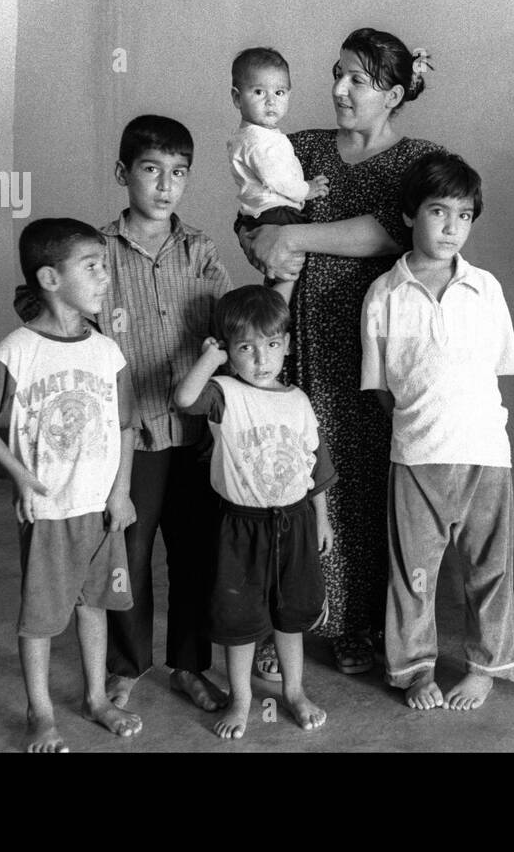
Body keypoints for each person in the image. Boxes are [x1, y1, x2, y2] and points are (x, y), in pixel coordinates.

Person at [237, 28, 442, 679]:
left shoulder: (419, 162)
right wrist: (269, 240)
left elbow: (391, 231)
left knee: (362, 484)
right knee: (289, 483)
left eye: (357, 79)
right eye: (336, 74)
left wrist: (294, 235)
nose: (338, 89)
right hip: (295, 343)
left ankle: (358, 626)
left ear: (394, 91)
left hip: (376, 353)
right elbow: (254, 224)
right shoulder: (299, 147)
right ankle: (286, 623)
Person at [15, 114, 233, 714]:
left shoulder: (202, 250)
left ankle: (190, 666)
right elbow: (58, 323)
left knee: (193, 555)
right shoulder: (97, 252)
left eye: (179, 173)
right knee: (125, 556)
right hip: (124, 438)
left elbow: (231, 329)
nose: (166, 186)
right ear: (123, 174)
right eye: (151, 170)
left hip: (194, 431)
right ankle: (126, 668)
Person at [0, 218, 142, 753]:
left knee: (94, 605)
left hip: (101, 508)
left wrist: (122, 491)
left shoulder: (107, 351)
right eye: (92, 267)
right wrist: (19, 475)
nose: (105, 277)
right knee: (40, 619)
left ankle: (95, 698)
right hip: (50, 511)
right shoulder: (19, 349)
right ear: (50, 277)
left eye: (105, 266)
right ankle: (38, 713)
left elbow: (127, 425)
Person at [361, 151, 514, 711]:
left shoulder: (487, 289)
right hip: (416, 456)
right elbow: (382, 387)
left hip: (485, 453)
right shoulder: (383, 295)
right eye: (438, 211)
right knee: (414, 575)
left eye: (464, 215)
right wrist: (419, 429)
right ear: (410, 214)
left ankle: (485, 667)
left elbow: (496, 373)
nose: (452, 226)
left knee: (490, 570)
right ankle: (413, 670)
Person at [173, 285, 334, 738]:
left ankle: (295, 691)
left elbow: (315, 464)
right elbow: (184, 400)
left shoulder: (298, 400)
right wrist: (210, 359)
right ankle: (241, 698)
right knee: (238, 620)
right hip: (241, 527)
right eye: (246, 348)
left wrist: (322, 518)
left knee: (290, 614)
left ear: (286, 345)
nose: (261, 359)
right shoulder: (224, 392)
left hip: (296, 521)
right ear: (229, 351)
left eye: (271, 345)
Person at [227, 47, 330, 303]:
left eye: (279, 92)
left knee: (285, 266)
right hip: (276, 211)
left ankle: (276, 305)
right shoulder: (259, 141)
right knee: (289, 263)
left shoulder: (258, 135)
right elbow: (278, 180)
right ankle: (278, 310)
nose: (271, 101)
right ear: (237, 98)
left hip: (263, 213)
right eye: (259, 92)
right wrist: (307, 189)